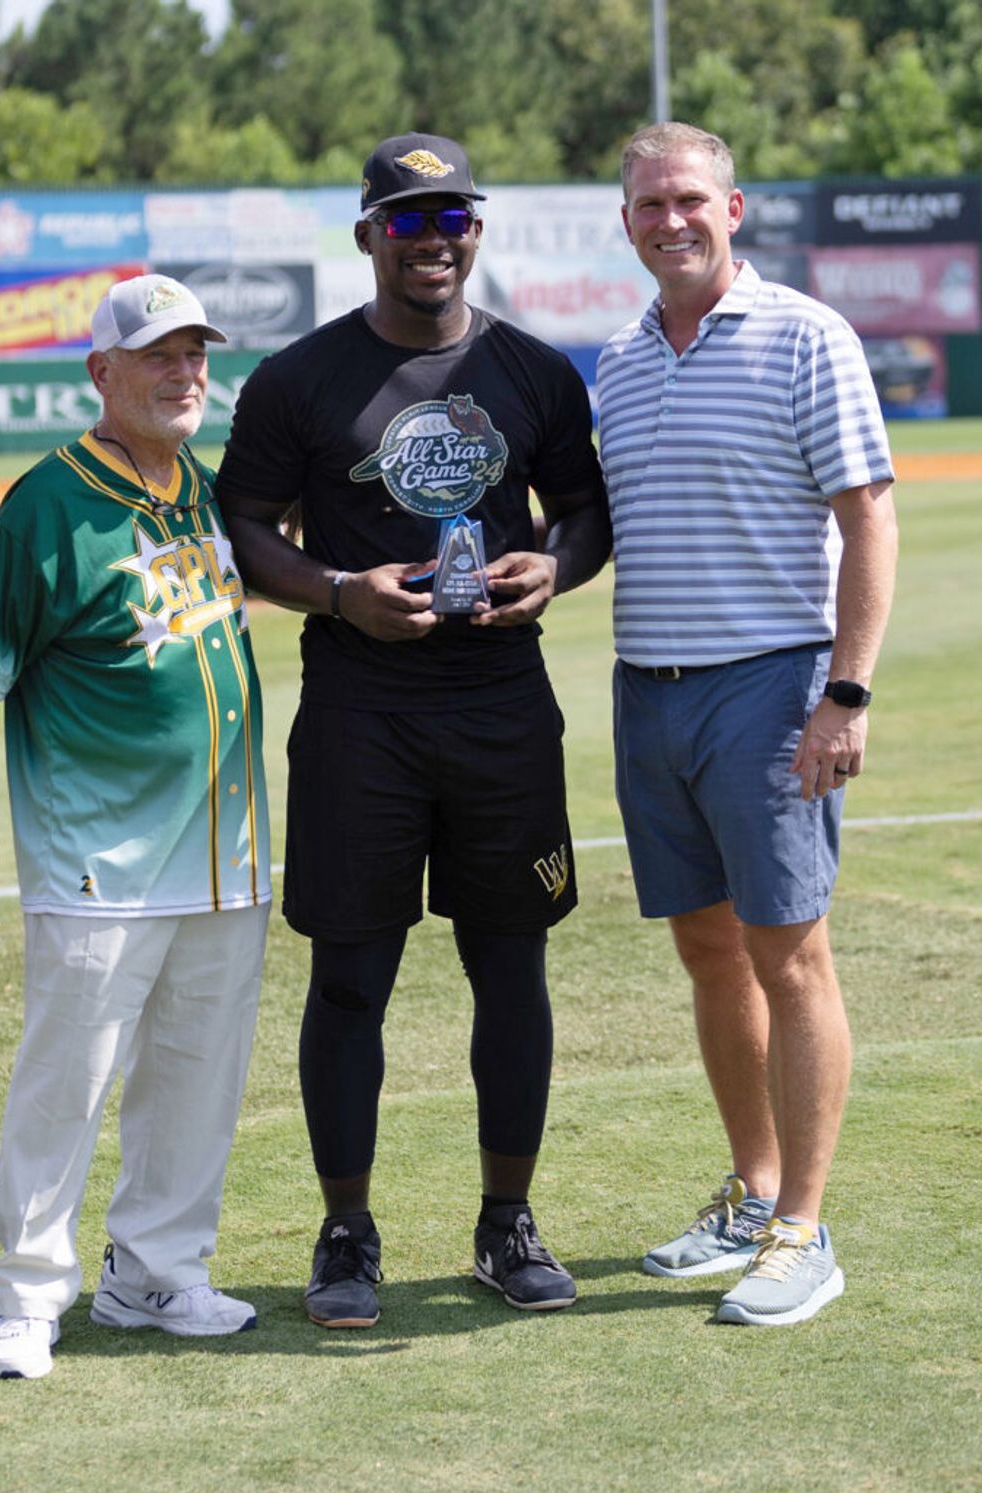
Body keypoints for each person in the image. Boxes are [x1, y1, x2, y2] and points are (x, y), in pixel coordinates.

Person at [215, 133, 611, 1328]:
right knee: (351, 975)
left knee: (512, 965)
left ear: (477, 232)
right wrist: (340, 593)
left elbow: (586, 512)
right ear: (367, 237)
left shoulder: (536, 371)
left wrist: (558, 568)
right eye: (406, 220)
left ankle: (507, 1223)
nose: (432, 239)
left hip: (499, 707)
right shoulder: (299, 379)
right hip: (359, 711)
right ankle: (347, 1231)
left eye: (453, 218)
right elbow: (244, 523)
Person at [0, 274, 273, 1378]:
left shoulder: (199, 487)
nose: (182, 373)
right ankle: (27, 1291)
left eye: (196, 354)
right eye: (157, 354)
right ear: (101, 373)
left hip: (226, 850)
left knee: (197, 1073)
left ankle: (155, 1272)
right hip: (98, 856)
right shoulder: (48, 503)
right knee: (68, 1080)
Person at [598, 123, 898, 1326]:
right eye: (647, 205)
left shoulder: (806, 335)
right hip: (647, 686)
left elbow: (870, 518)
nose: (669, 220)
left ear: (735, 207)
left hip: (772, 687)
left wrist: (847, 689)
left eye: (688, 199)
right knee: (709, 949)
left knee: (791, 951)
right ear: (624, 224)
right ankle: (753, 1189)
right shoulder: (616, 360)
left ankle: (801, 1230)